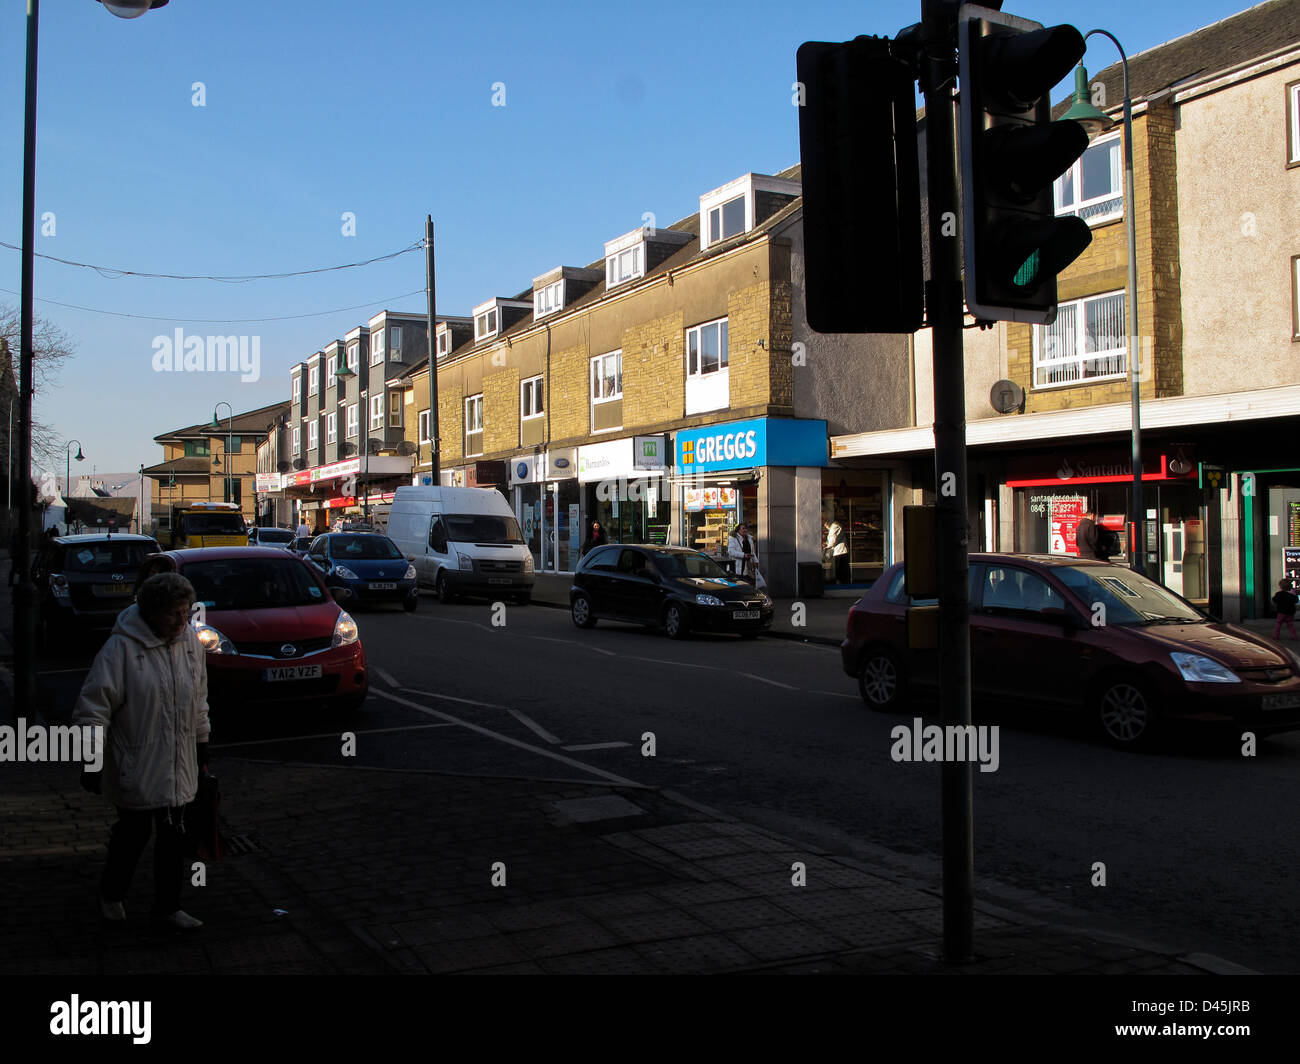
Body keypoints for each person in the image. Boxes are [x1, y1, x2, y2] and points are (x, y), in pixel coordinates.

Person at [72, 572, 211, 932]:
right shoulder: (121, 650)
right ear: (151, 613)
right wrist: (92, 758)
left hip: (179, 760)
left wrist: (202, 744)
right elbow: (93, 707)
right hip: (136, 761)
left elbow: (198, 701)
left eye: (185, 613)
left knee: (173, 839)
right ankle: (111, 892)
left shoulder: (190, 644)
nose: (181, 622)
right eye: (173, 615)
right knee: (132, 836)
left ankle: (168, 906)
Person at [827, 513, 849, 585]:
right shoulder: (837, 526)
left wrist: (828, 546)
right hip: (842, 550)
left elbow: (833, 539)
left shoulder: (834, 526)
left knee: (839, 567)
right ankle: (845, 581)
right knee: (844, 567)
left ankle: (839, 581)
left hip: (839, 551)